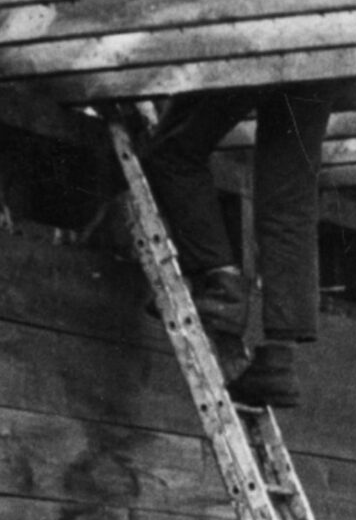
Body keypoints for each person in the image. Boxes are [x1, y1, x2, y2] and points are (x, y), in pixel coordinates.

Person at [134, 86, 331, 409]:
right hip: (323, 65)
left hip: (260, 54)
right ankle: (279, 358)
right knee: (289, 200)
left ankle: (221, 286)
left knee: (171, 152)